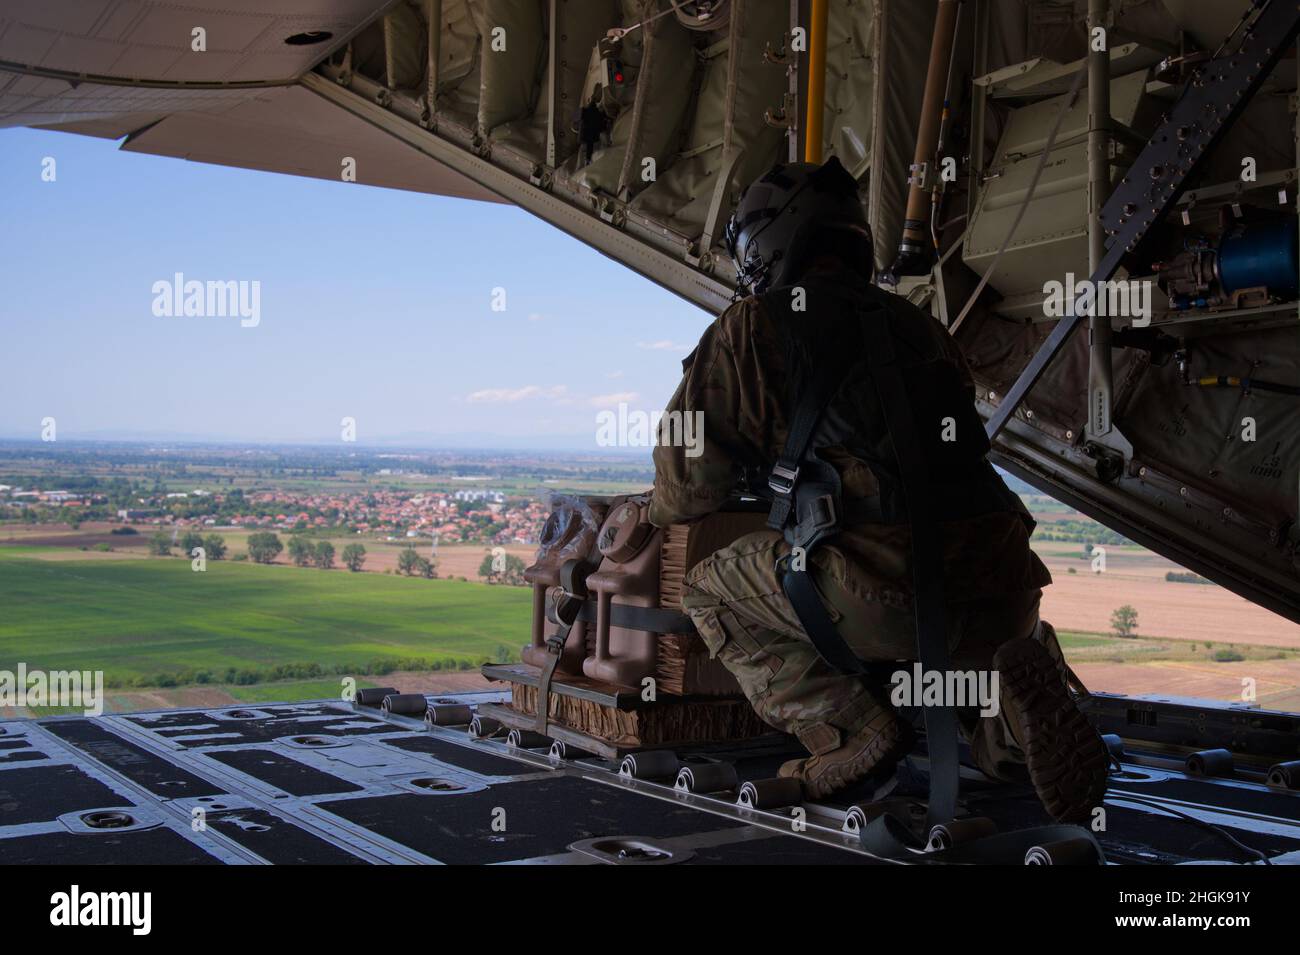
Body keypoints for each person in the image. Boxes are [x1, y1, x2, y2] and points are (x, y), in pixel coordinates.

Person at [649, 157, 1108, 822]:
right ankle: (1008, 724)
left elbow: (684, 487)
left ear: (770, 247)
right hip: (1005, 584)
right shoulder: (923, 329)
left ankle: (845, 725)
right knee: (947, 633)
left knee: (712, 588)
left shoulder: (754, 326)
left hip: (883, 585)